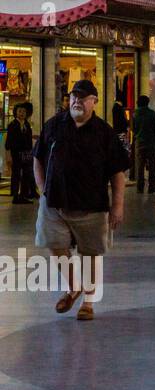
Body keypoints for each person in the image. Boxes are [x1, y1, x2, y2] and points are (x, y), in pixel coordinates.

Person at [33, 80, 130, 321]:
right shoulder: (54, 125)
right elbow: (38, 158)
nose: (76, 101)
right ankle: (74, 286)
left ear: (94, 102)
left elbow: (118, 172)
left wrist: (117, 206)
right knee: (54, 244)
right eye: (73, 96)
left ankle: (88, 301)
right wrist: (43, 190)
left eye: (83, 97)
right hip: (54, 203)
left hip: (91, 206)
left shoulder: (104, 132)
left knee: (90, 254)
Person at [5, 102, 36, 203]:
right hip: (16, 153)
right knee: (16, 174)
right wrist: (8, 155)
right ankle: (15, 195)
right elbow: (8, 141)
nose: (22, 113)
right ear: (15, 112)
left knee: (26, 174)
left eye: (24, 111)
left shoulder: (27, 124)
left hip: (26, 153)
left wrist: (31, 152)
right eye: (19, 111)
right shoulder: (12, 125)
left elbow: (29, 140)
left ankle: (24, 195)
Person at [132, 95, 155, 194]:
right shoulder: (152, 114)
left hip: (140, 143)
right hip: (152, 142)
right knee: (153, 165)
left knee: (140, 166)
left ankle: (140, 187)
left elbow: (133, 129)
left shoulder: (135, 114)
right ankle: (152, 187)